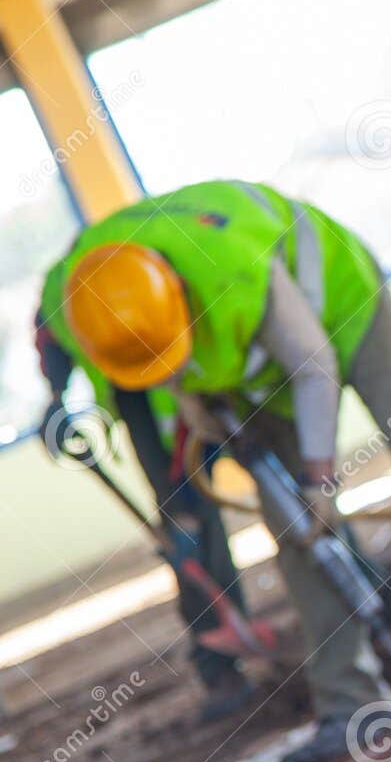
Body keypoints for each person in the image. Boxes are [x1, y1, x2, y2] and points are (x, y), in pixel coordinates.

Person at [47, 180, 391, 762]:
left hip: (346, 306)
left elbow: (315, 366)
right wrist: (192, 401)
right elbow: (153, 364)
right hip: (258, 370)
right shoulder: (92, 307)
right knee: (293, 524)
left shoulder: (236, 270)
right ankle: (350, 705)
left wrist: (322, 479)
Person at [34, 298, 253, 723]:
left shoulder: (121, 265)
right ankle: (222, 659)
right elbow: (50, 334)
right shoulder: (71, 285)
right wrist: (57, 397)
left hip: (200, 394)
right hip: (148, 407)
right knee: (191, 534)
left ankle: (344, 620)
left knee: (203, 520)